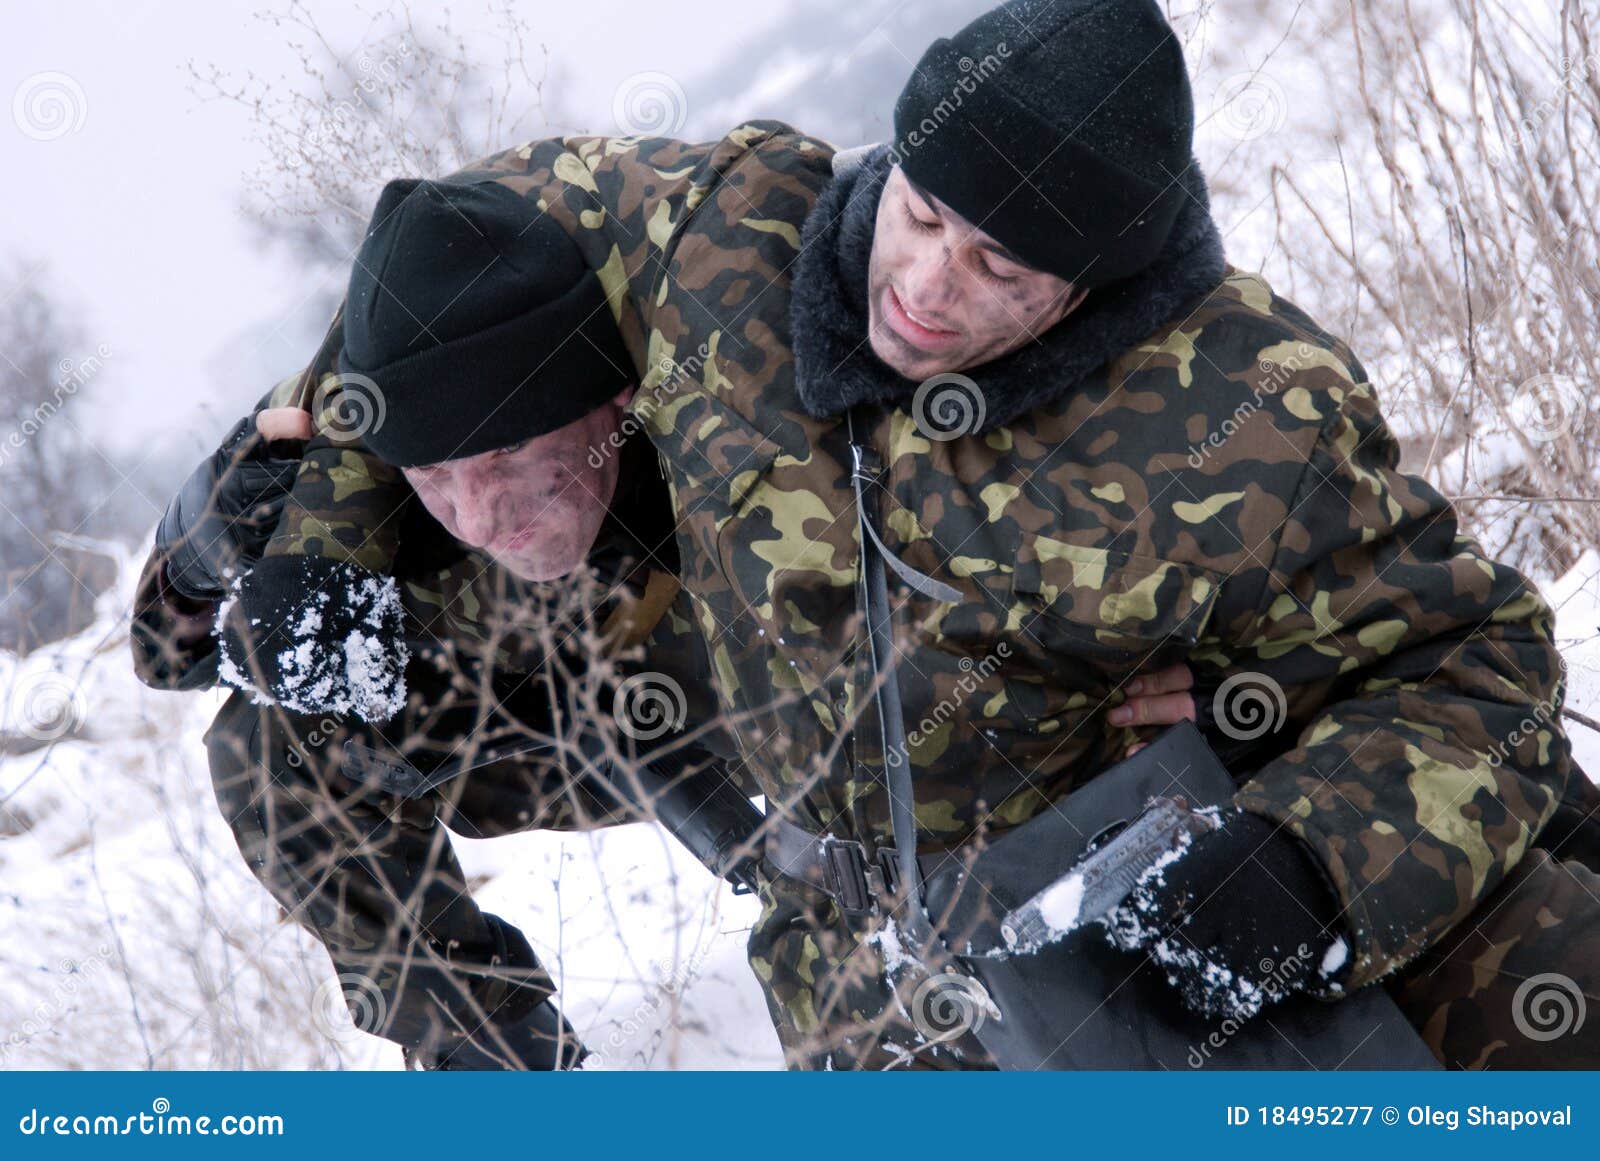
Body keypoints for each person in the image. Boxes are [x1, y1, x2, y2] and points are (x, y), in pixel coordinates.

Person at [229, 0, 1594, 1069]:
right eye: (923, 215)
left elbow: (1481, 670)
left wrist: (1311, 861)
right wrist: (326, 533)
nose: (929, 289)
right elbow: (439, 262)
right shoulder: (718, 239)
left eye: (1002, 268)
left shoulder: (1245, 409)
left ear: (1101, 274)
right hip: (870, 1000)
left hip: (1122, 913)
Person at [131, 178, 739, 1069]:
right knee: (270, 746)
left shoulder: (693, 362)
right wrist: (208, 543)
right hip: (538, 725)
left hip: (752, 685)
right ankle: (488, 1059)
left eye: (507, 455)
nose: (480, 513)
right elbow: (161, 653)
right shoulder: (350, 418)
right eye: (435, 475)